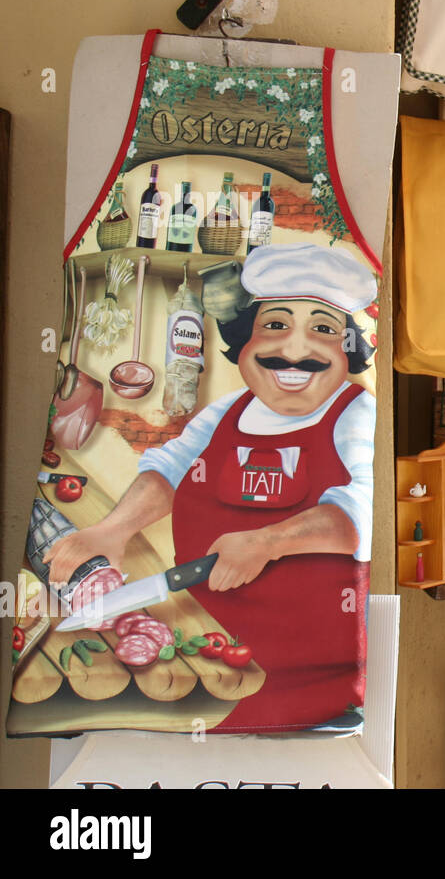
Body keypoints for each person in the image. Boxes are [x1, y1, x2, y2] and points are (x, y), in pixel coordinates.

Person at [44, 243, 377, 731]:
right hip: (203, 648)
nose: (295, 350)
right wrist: (111, 531)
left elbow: (359, 510)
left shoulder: (355, 412)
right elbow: (170, 469)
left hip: (308, 668)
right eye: (276, 325)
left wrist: (268, 542)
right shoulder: (226, 410)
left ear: (347, 351)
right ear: (245, 341)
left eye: (323, 330)